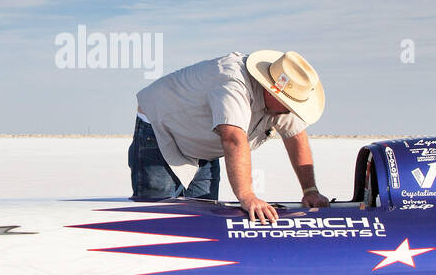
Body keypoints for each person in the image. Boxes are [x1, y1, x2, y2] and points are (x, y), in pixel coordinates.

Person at [130, 50, 331, 221]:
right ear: (272, 92)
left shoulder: (285, 102)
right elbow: (233, 139)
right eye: (289, 104)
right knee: (160, 216)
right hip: (161, 130)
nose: (291, 110)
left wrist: (310, 190)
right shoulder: (233, 82)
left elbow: (296, 137)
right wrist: (247, 196)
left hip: (203, 145)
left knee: (202, 218)